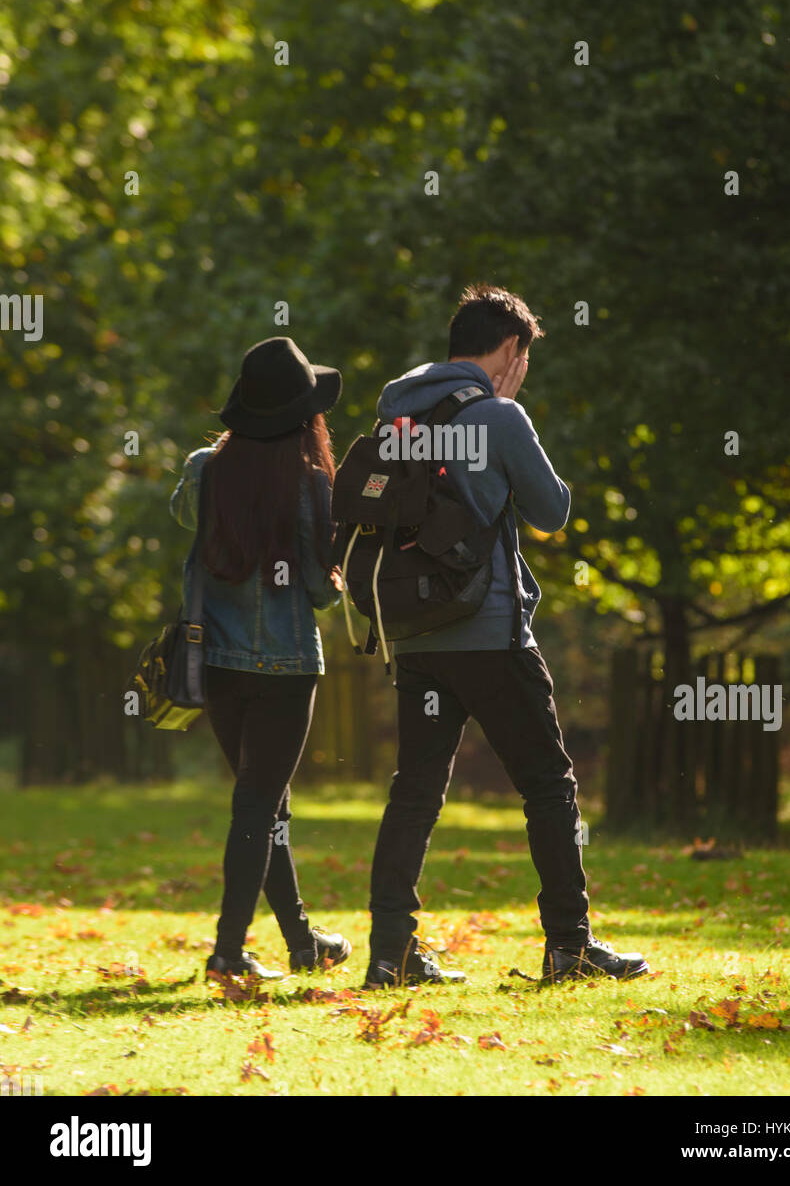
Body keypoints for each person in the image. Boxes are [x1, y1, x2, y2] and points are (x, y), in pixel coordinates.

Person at [364, 285, 649, 988]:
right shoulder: (499, 415)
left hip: (415, 633)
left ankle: (390, 953)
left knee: (415, 791)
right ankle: (569, 945)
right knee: (549, 786)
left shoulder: (399, 412)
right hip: (488, 632)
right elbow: (552, 511)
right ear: (512, 351)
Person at [170, 336, 351, 980]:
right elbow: (316, 593)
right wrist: (337, 579)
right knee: (258, 804)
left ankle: (302, 941)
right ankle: (228, 952)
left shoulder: (204, 468)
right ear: (305, 417)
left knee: (264, 803)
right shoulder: (309, 485)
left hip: (215, 662)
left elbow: (185, 515)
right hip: (285, 667)